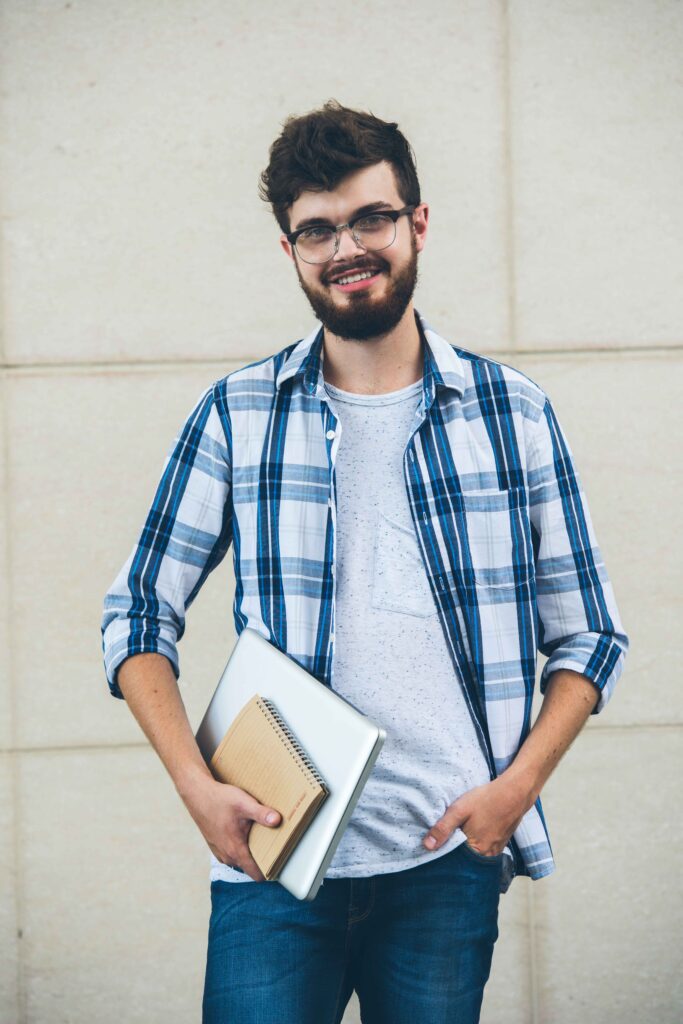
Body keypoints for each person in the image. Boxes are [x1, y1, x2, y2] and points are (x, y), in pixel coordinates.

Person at [101, 100, 628, 1024]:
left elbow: (589, 634)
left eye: (370, 218)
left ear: (416, 223)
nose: (346, 246)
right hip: (274, 865)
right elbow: (138, 611)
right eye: (317, 230)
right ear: (291, 250)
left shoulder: (512, 414)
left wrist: (514, 792)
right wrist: (197, 788)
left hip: (444, 869)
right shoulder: (239, 413)